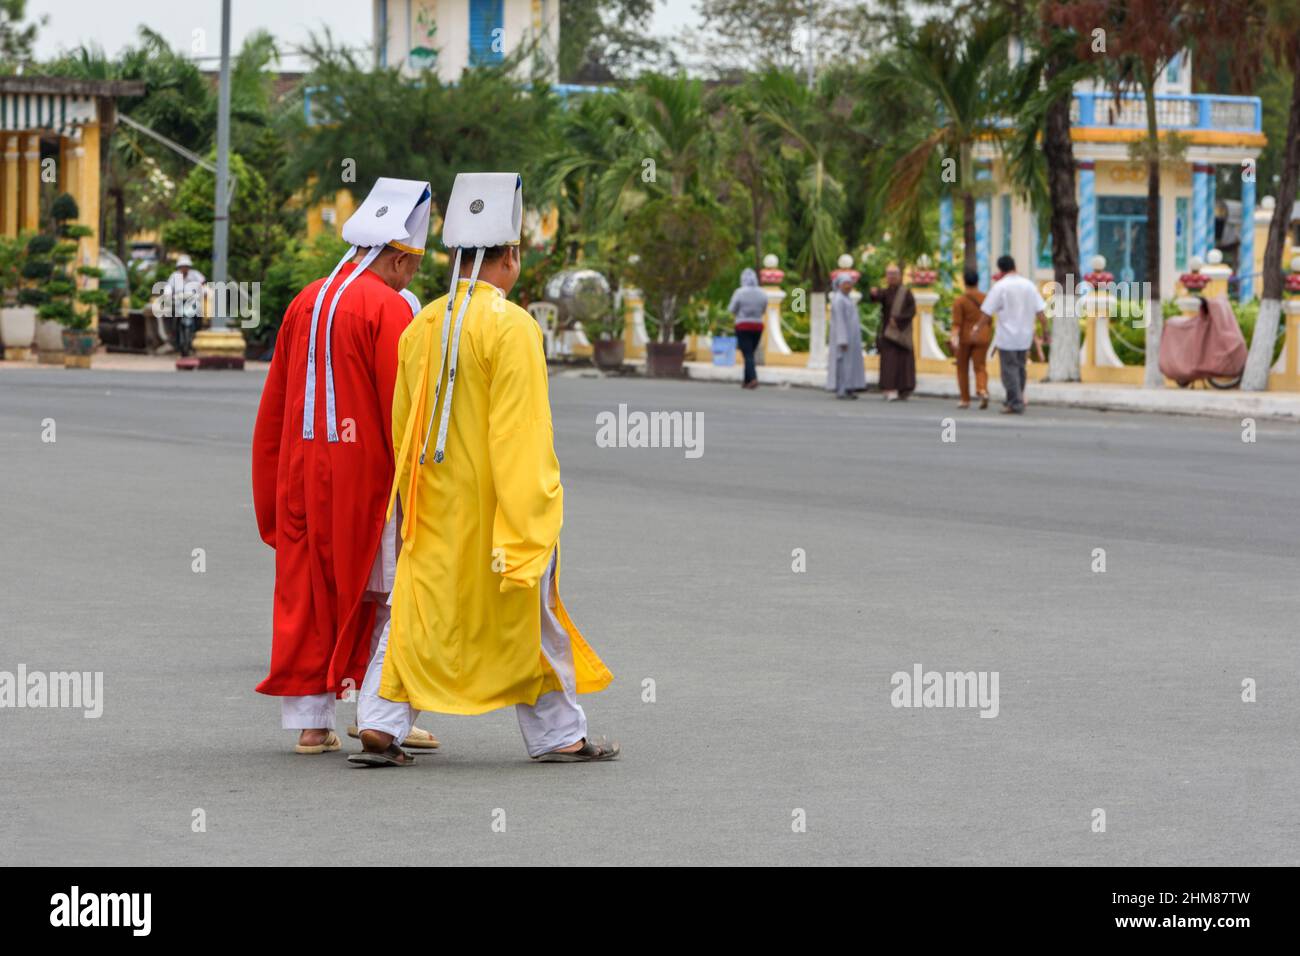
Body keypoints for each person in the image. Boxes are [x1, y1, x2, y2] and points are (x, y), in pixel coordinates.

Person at [351, 172, 617, 767]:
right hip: (497, 506)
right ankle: (559, 735)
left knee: (419, 612)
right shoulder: (513, 325)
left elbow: (403, 423)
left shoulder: (423, 322)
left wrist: (407, 498)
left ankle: (381, 718)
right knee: (532, 618)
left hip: (432, 502)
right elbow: (519, 433)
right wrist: (532, 520)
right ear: (512, 256)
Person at [252, 177, 440, 756]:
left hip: (303, 470)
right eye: (410, 262)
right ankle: (380, 712)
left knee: (307, 592)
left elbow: (277, 396)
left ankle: (312, 724)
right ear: (397, 256)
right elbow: (402, 407)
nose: (411, 274)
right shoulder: (387, 308)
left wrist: (272, 470)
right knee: (386, 591)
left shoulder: (304, 299)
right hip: (367, 475)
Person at [980, 255, 1047, 415]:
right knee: (1020, 369)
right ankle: (1017, 397)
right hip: (1024, 337)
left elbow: (987, 312)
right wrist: (1046, 330)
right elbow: (1041, 312)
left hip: (1007, 337)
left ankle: (1015, 403)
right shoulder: (1029, 285)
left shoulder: (1000, 287)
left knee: (1009, 371)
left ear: (1000, 269)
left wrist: (977, 328)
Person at [868, 265, 916, 400]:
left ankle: (904, 389)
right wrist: (872, 294)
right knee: (889, 362)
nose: (892, 277)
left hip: (902, 333)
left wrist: (899, 320)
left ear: (900, 276)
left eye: (894, 274)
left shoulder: (906, 293)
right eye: (889, 274)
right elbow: (875, 298)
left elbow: (912, 311)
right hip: (888, 333)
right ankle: (889, 388)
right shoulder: (885, 292)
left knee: (904, 362)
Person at [949, 270, 990, 409]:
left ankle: (965, 399)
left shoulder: (960, 301)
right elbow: (989, 319)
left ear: (964, 282)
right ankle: (982, 390)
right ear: (978, 282)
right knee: (980, 366)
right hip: (982, 336)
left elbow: (956, 324)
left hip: (965, 338)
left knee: (962, 369)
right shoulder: (985, 298)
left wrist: (953, 338)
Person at [826, 272, 865, 399]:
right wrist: (842, 340)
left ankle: (849, 387)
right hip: (843, 339)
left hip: (851, 338)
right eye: (845, 284)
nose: (848, 286)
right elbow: (840, 321)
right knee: (843, 365)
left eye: (850, 283)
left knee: (850, 364)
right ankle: (842, 389)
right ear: (840, 285)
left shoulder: (846, 299)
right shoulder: (838, 300)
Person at [157, 254, 206, 355]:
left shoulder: (195, 275)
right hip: (179, 303)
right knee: (171, 319)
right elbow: (168, 288)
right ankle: (173, 338)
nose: (184, 268)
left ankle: (197, 336)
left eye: (186, 266)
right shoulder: (174, 276)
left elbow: (203, 284)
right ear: (179, 267)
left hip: (193, 302)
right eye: (182, 266)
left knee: (199, 319)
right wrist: (168, 295)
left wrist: (204, 291)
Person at [728, 267, 767, 389]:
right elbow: (764, 309)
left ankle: (753, 378)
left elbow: (732, 309)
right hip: (758, 326)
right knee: (750, 353)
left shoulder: (739, 292)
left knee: (747, 353)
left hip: (743, 325)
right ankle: (746, 381)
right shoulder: (762, 293)